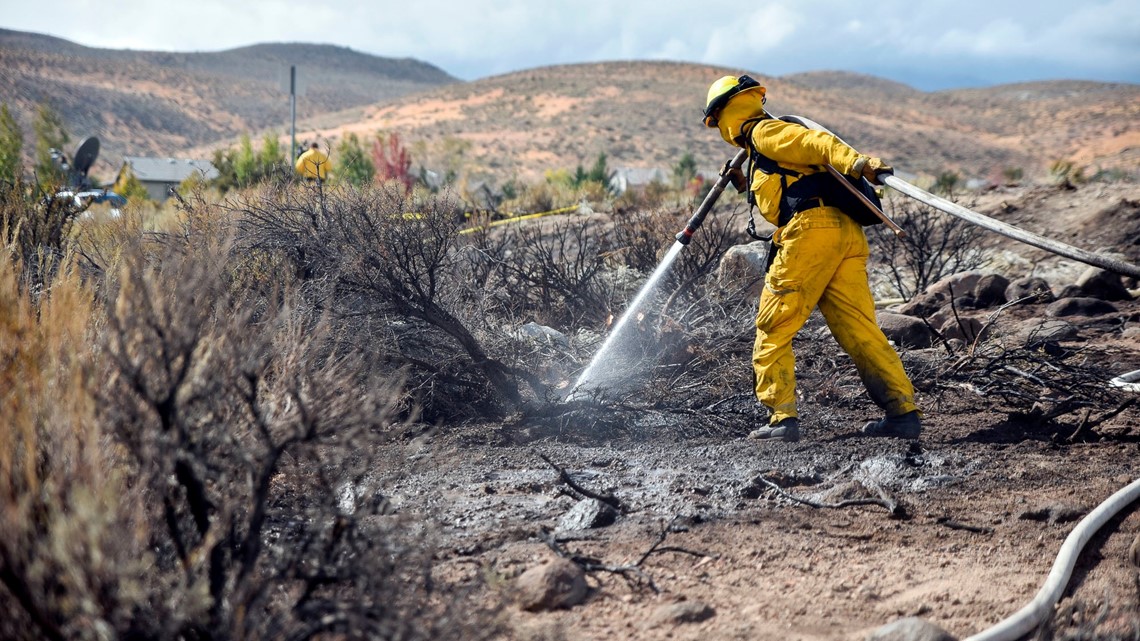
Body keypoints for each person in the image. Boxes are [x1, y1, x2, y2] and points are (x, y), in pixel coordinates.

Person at [702, 74, 922, 442]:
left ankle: (781, 419)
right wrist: (743, 180)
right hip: (845, 233)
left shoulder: (763, 133)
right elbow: (788, 183)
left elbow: (813, 141)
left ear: (725, 113)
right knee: (860, 328)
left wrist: (857, 162)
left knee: (774, 325)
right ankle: (902, 414)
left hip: (811, 232)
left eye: (716, 120)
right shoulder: (764, 149)